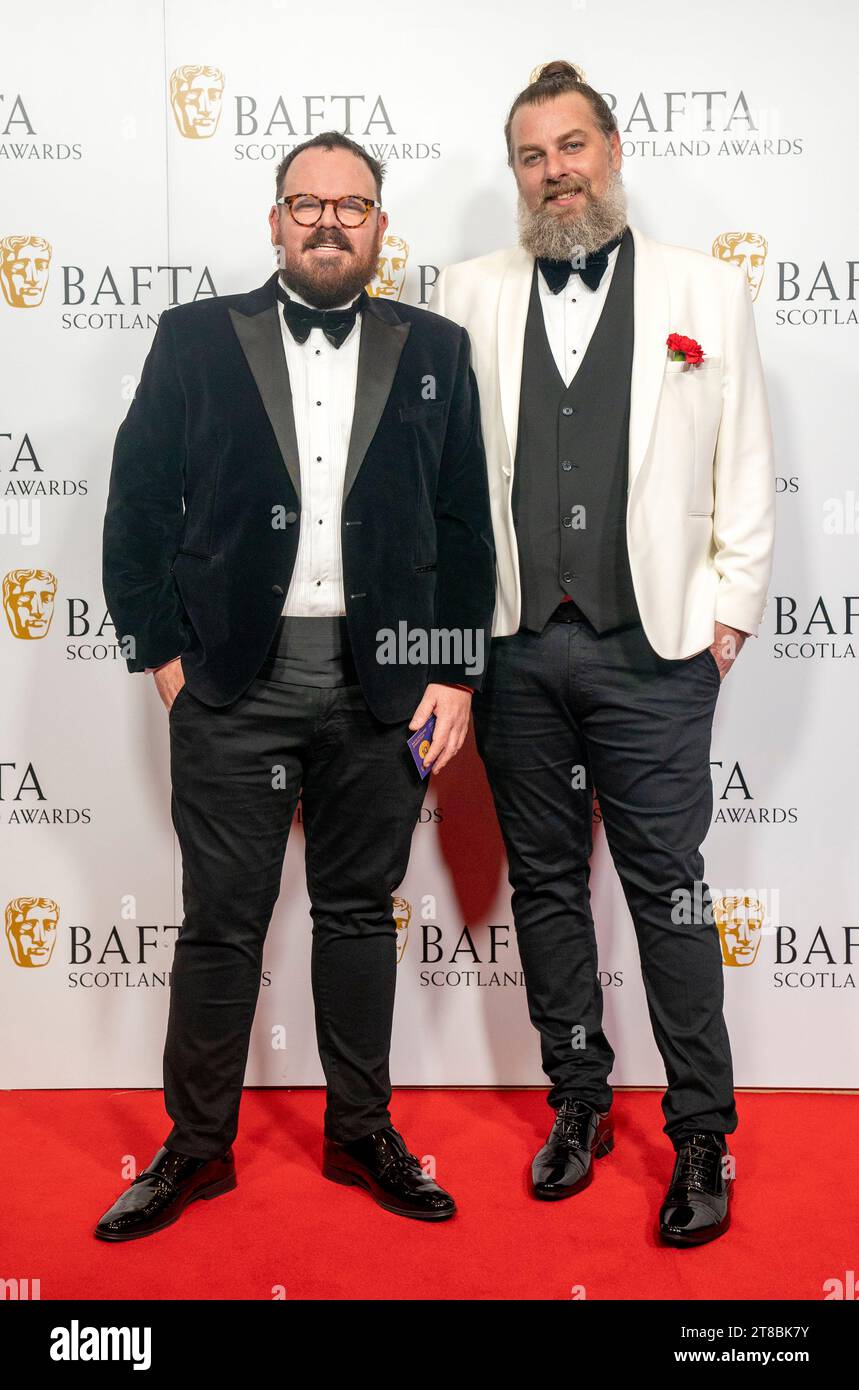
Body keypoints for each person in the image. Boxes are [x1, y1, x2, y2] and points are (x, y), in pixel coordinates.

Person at [98, 130, 495, 1238]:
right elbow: (136, 511)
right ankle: (195, 1147)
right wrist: (164, 657)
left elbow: (466, 528)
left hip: (385, 682)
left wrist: (453, 671)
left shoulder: (437, 348)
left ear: (379, 226)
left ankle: (361, 1129)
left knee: (359, 915)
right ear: (274, 220)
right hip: (232, 680)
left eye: (352, 205)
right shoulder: (192, 340)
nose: (329, 221)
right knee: (220, 922)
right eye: (306, 203)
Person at [429, 61, 775, 1245]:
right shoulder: (465, 294)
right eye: (531, 156)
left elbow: (743, 458)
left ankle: (700, 1133)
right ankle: (575, 1098)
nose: (553, 171)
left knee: (668, 891)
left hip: (653, 651)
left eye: (571, 147)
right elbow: (439, 480)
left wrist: (724, 618)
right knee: (543, 885)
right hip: (517, 649)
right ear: (515, 174)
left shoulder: (703, 290)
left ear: (612, 152)